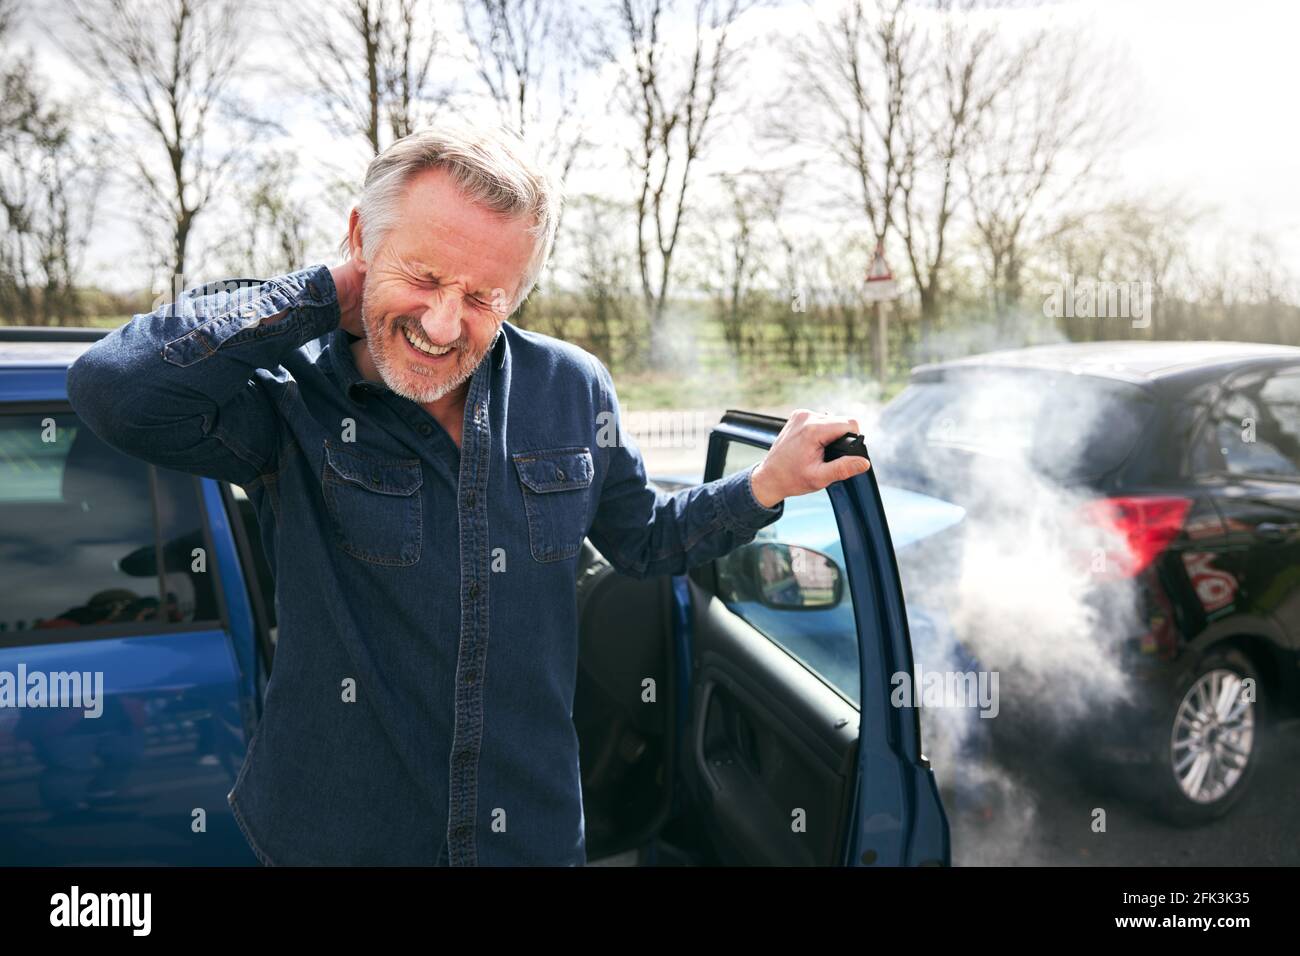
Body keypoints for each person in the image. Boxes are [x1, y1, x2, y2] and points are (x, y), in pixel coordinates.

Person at [66, 121, 870, 866]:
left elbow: (643, 539)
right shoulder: (292, 392)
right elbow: (115, 391)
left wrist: (767, 483)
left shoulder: (571, 387)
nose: (445, 326)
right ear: (358, 239)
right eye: (422, 274)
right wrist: (322, 295)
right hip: (342, 842)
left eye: (485, 296)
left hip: (531, 838)